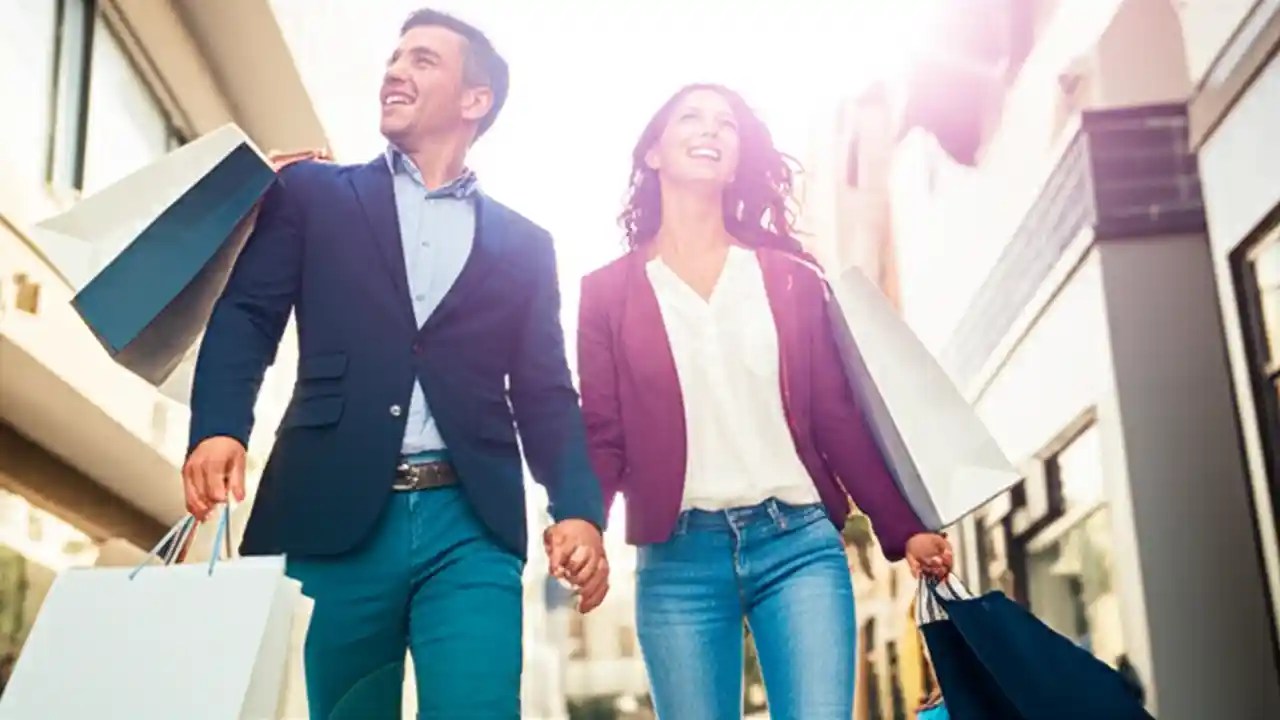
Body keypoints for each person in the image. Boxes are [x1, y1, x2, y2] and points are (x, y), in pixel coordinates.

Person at [183, 9, 608, 718]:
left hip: (469, 524)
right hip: (330, 511)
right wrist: (221, 426)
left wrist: (579, 511)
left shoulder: (525, 245)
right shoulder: (312, 194)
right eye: (394, 58)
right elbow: (248, 314)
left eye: (423, 60)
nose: (395, 72)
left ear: (475, 100)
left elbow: (544, 392)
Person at [575, 83, 954, 720]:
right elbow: (602, 433)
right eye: (691, 117)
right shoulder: (607, 295)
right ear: (653, 155)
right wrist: (583, 519)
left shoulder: (790, 280)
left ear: (736, 160)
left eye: (726, 123)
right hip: (677, 560)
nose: (711, 129)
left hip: (797, 544)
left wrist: (903, 527)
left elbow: (837, 419)